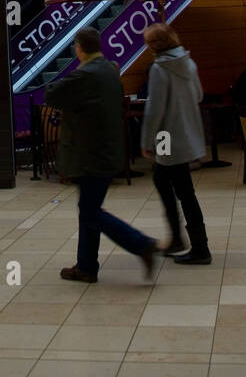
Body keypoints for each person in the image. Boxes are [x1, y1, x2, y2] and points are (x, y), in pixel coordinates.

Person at [44, 26, 159, 283]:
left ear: (79, 49)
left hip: (89, 154)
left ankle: (141, 244)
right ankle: (86, 266)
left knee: (90, 212)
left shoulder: (86, 74)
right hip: (108, 150)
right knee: (89, 209)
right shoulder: (110, 70)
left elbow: (51, 93)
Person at [140, 24, 211, 265]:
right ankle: (180, 239)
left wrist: (147, 141)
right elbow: (199, 95)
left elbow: (154, 109)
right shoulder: (187, 62)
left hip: (166, 137)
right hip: (186, 131)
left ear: (155, 45)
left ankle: (199, 247)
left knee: (183, 190)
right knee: (163, 178)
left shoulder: (160, 68)